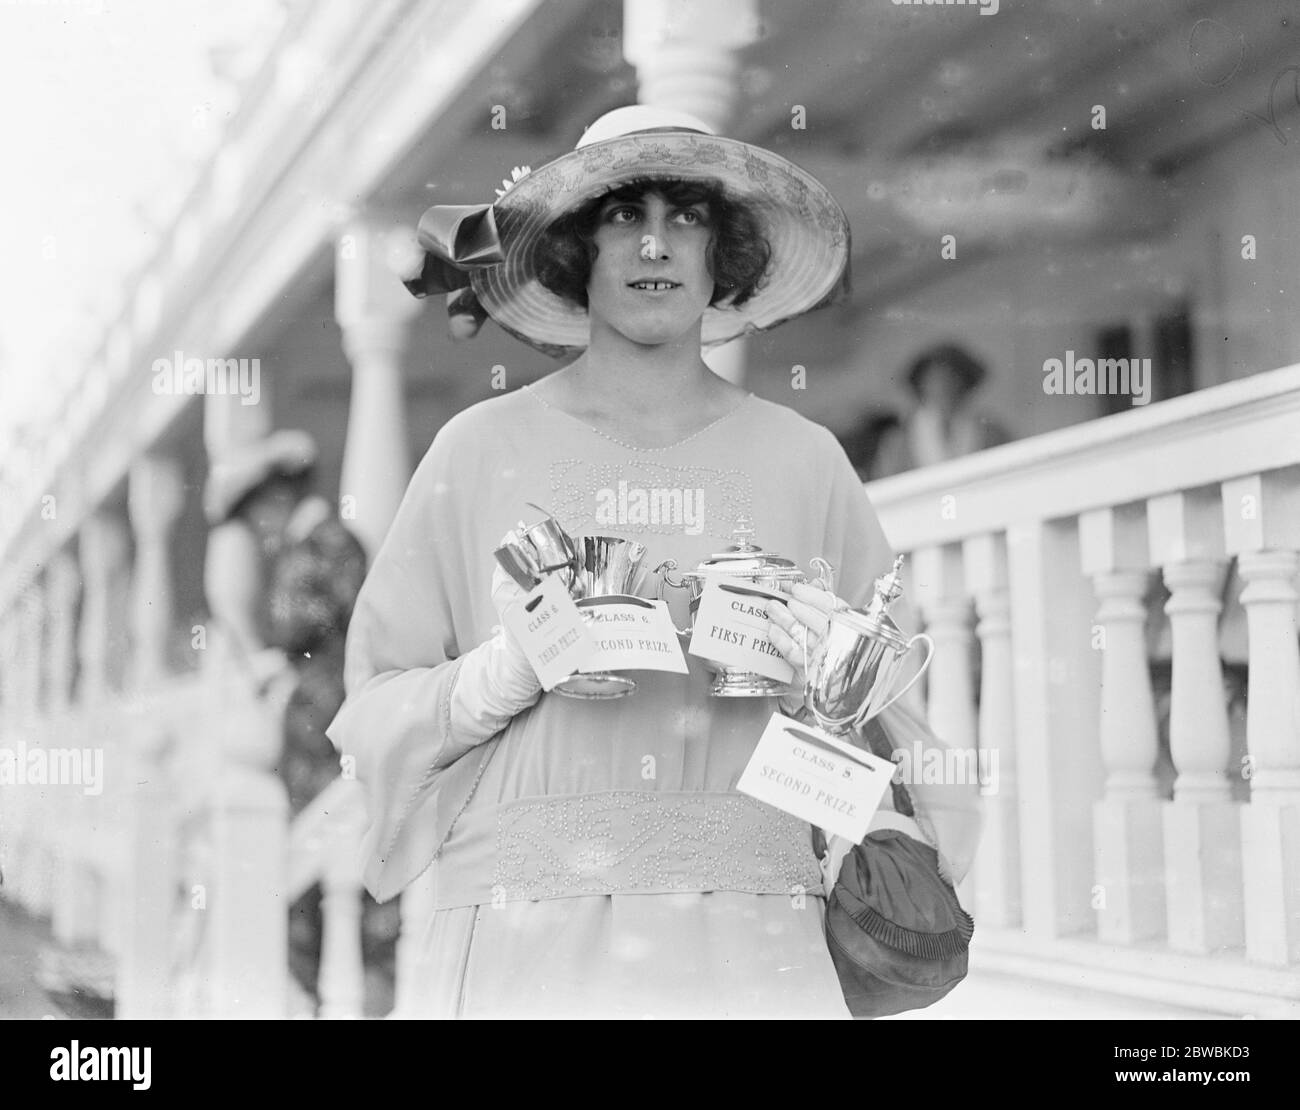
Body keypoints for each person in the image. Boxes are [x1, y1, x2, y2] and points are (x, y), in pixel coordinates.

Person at [327, 105, 980, 1018]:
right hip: (528, 948)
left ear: (725, 256)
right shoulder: (477, 451)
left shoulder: (804, 459)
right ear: (574, 252)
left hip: (755, 947)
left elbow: (899, 737)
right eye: (625, 215)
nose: (657, 245)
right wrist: (495, 677)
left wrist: (824, 695)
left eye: (689, 217)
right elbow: (370, 711)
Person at [203, 432, 397, 1015]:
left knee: (331, 877)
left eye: (258, 513)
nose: (259, 531)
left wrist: (273, 653)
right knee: (303, 878)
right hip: (313, 734)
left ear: (277, 499)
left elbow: (303, 632)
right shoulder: (310, 544)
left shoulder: (328, 543)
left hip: (330, 734)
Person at [872, 344, 1010, 478]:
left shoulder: (992, 434)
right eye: (935, 381)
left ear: (966, 384)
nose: (944, 388)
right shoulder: (898, 440)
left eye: (952, 379)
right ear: (921, 385)